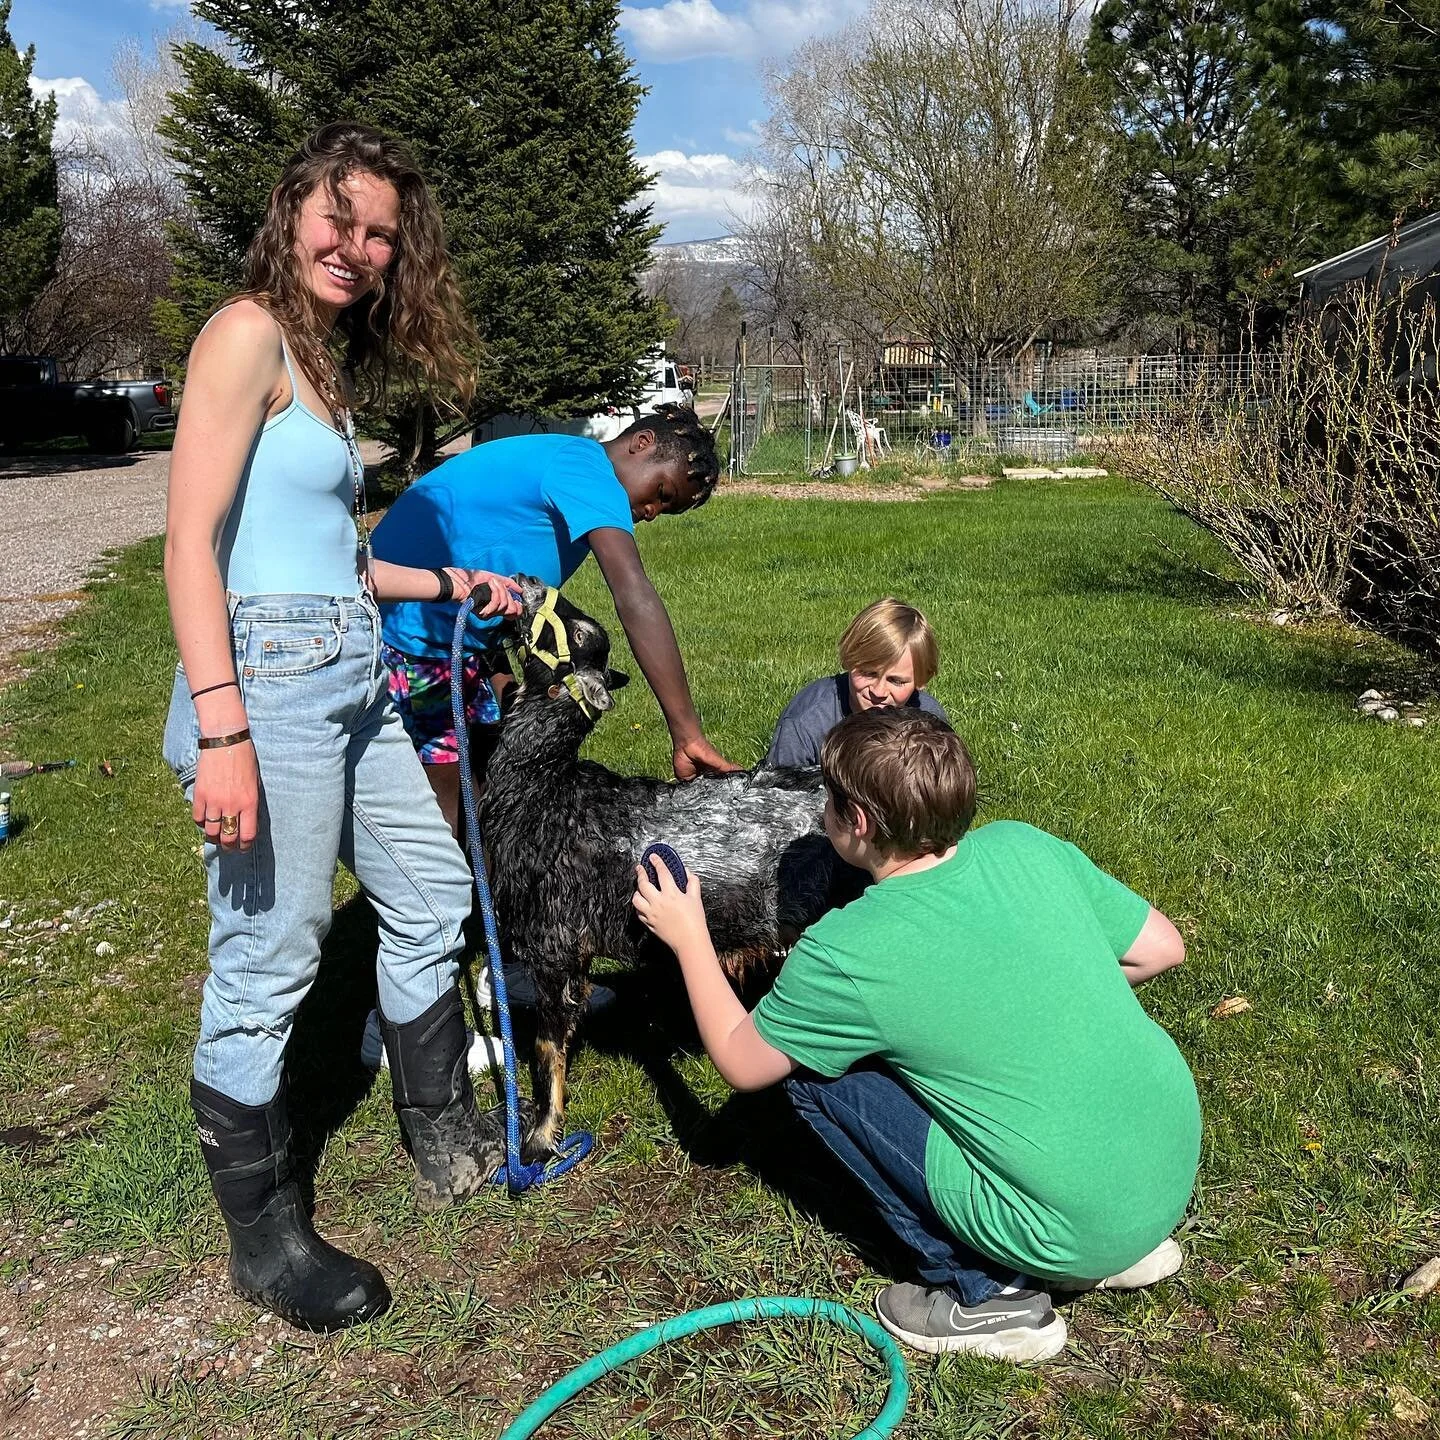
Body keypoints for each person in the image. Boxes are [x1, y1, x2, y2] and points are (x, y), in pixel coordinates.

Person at [162, 122, 522, 1334]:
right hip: (267, 682)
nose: (359, 248)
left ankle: (438, 1127)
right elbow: (190, 544)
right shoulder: (245, 333)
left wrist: (452, 584)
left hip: (350, 666)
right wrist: (224, 733)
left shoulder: (315, 361)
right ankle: (265, 1243)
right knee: (271, 953)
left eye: (380, 235)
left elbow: (333, 558)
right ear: (293, 208)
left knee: (430, 888)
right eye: (342, 219)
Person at [633, 706, 1201, 1363]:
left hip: (1073, 1222)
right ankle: (1114, 1246)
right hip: (1166, 1170)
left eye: (828, 799)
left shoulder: (846, 950)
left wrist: (690, 936)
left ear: (858, 822)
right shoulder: (1024, 845)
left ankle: (987, 1295)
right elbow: (1162, 948)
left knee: (815, 1073)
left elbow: (740, 1060)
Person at [369, 407, 739, 839]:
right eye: (662, 492)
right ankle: (441, 880)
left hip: (444, 639)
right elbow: (632, 593)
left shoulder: (569, 464)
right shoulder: (587, 471)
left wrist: (504, 681)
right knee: (453, 816)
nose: (653, 511)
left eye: (665, 508)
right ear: (642, 443)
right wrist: (687, 733)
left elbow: (489, 565)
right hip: (409, 640)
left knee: (494, 798)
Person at [765, 598, 947, 769]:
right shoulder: (806, 725)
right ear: (849, 660)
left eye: (896, 681)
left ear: (921, 680)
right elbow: (778, 789)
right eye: (868, 673)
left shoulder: (928, 722)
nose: (879, 691)